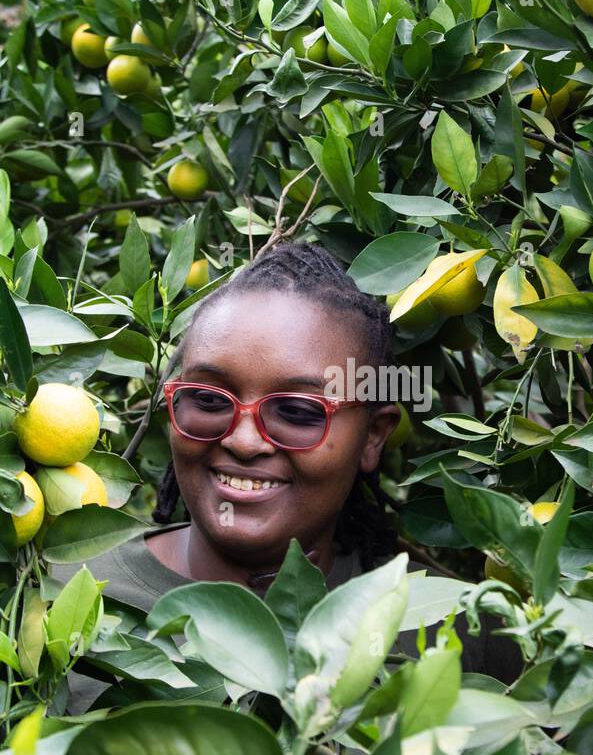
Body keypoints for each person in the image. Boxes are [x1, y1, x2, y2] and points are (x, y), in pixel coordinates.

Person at [50, 241, 522, 714]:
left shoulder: (462, 628)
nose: (244, 441)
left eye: (298, 411)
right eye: (209, 400)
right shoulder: (62, 594)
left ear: (373, 437)